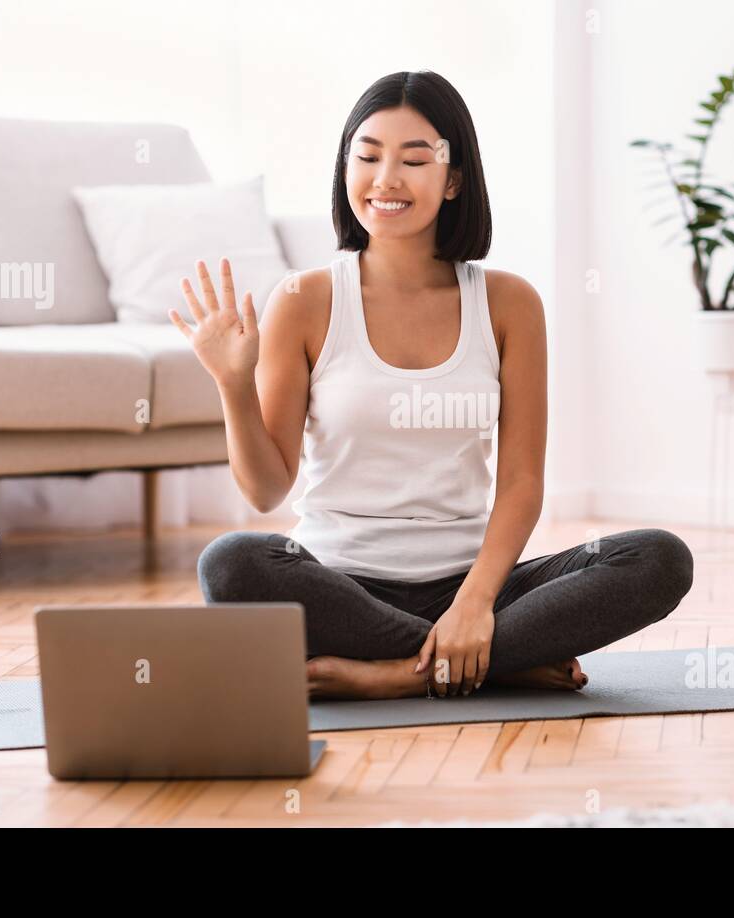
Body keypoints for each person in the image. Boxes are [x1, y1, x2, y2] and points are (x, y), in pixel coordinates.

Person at [170, 70, 693, 701]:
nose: (386, 179)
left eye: (414, 160)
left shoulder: (508, 303)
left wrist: (475, 603)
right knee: (230, 564)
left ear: (453, 181)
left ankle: (391, 673)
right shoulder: (303, 300)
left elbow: (523, 484)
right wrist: (233, 385)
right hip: (340, 584)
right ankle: (484, 663)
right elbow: (265, 489)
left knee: (658, 558)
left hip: (474, 581)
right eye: (367, 157)